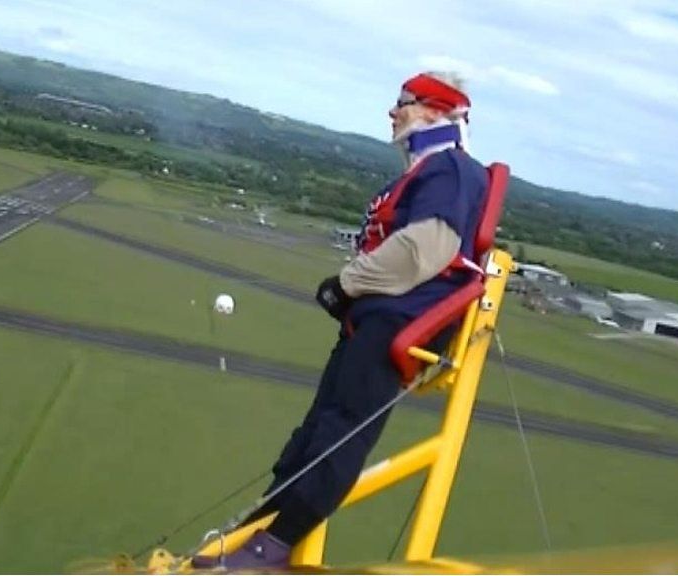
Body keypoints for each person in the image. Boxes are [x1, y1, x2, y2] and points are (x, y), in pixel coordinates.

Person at [193, 71, 489, 571]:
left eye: (404, 102)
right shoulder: (432, 171)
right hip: (376, 319)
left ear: (437, 111)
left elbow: (425, 249)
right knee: (315, 433)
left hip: (397, 320)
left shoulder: (451, 170)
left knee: (340, 434)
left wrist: (347, 284)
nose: (392, 112)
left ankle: (271, 546)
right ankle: (258, 530)